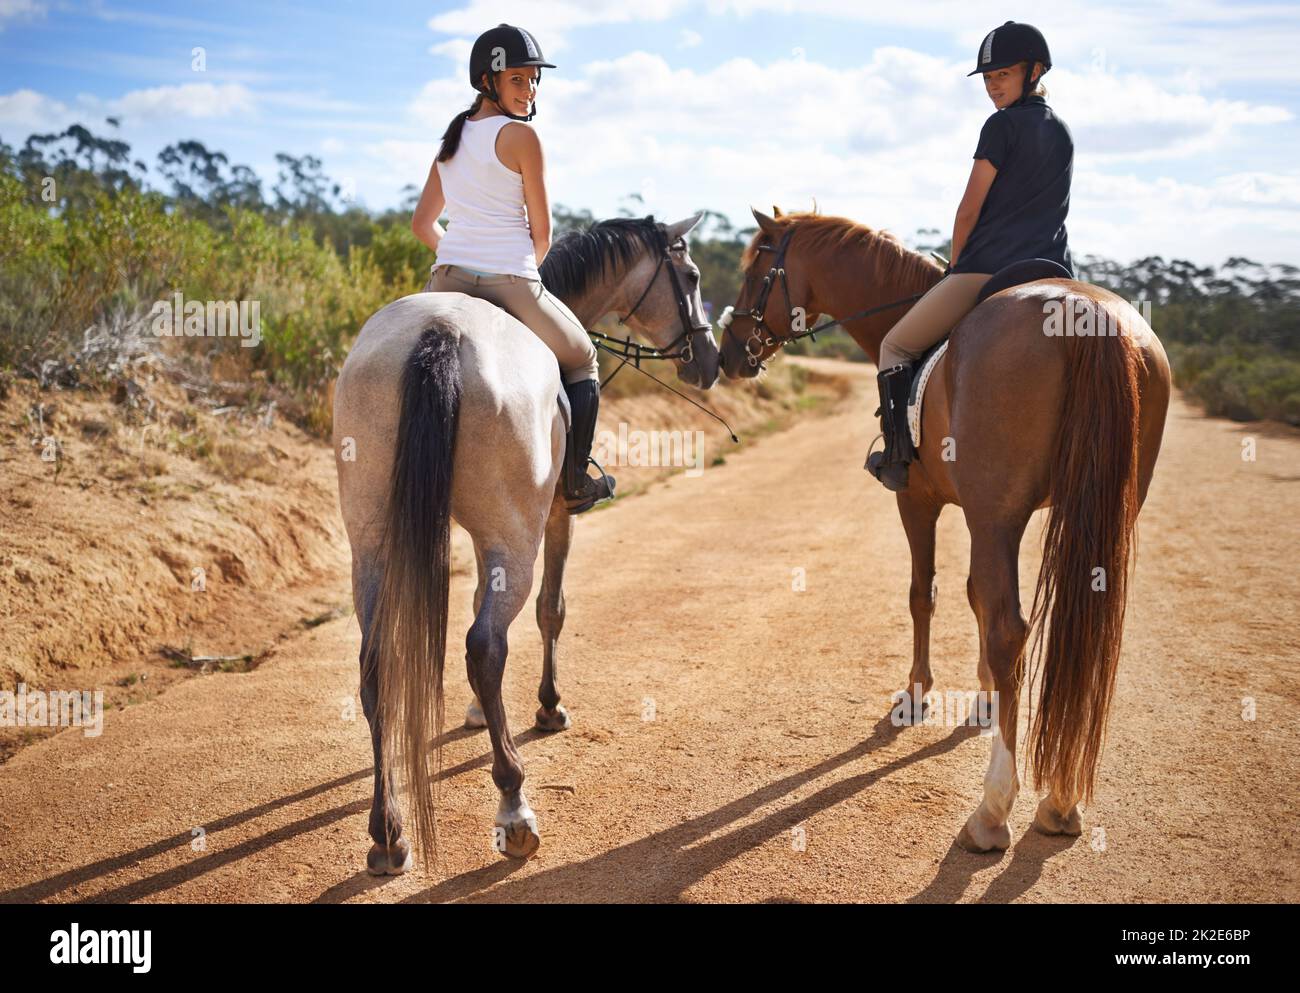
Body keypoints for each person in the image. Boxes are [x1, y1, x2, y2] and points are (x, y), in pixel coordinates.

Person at [411, 23, 614, 514]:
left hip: (446, 280)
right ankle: (574, 481)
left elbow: (421, 225)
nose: (531, 90)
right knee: (584, 359)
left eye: (534, 80)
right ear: (489, 81)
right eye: (519, 80)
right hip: (512, 281)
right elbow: (542, 235)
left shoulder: (451, 142)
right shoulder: (523, 137)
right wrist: (512, 271)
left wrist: (459, 258)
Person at [867, 20, 1075, 492]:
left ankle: (897, 456)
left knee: (894, 347)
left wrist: (957, 267)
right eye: (987, 78)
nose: (993, 86)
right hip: (1055, 272)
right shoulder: (1062, 131)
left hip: (988, 271)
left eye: (1002, 74)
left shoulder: (1000, 126)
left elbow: (968, 210)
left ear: (1035, 70)